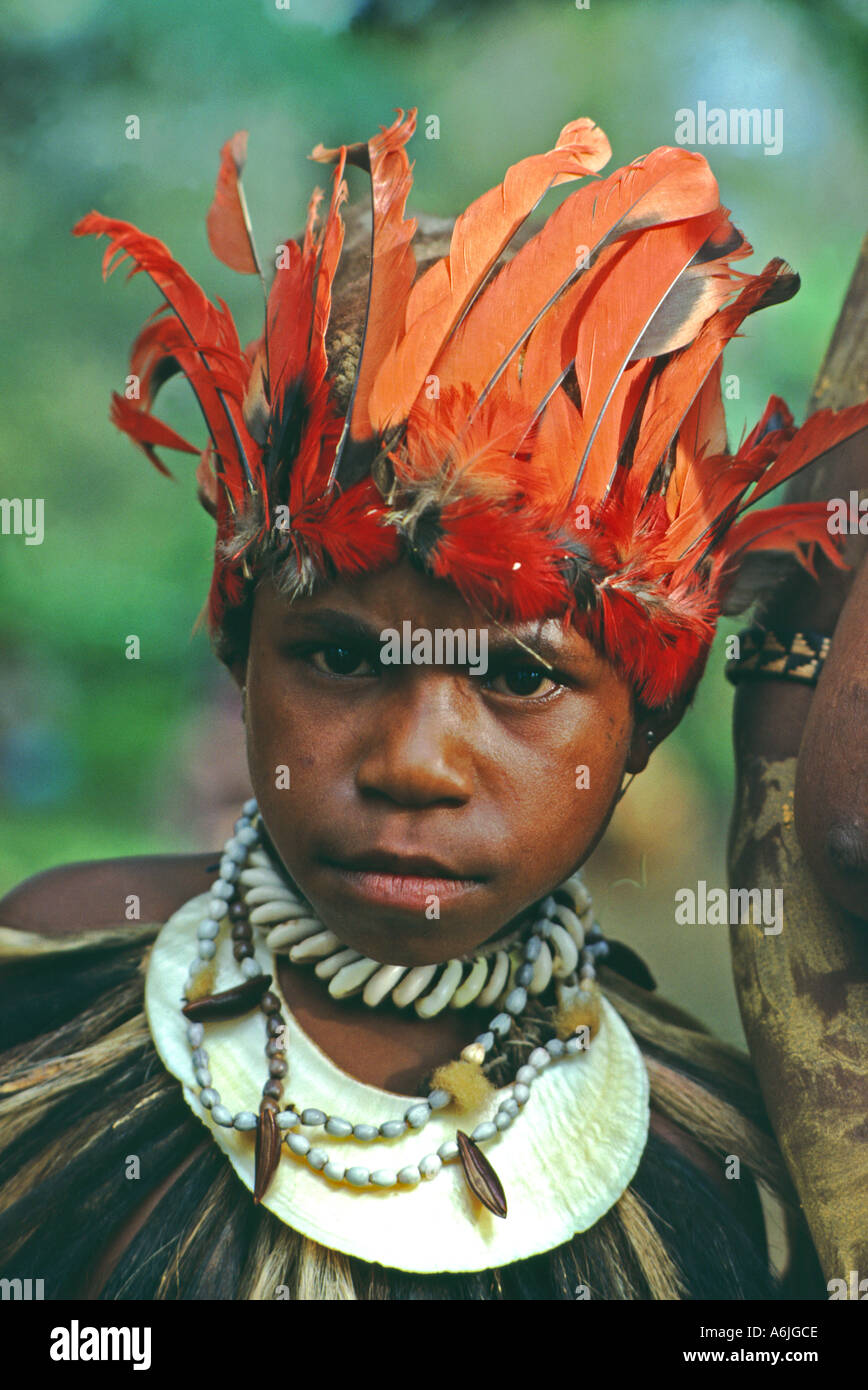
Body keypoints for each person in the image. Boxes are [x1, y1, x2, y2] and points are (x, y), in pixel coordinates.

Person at [1, 110, 865, 1301]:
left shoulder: (703, 1161)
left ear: (644, 727)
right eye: (338, 659)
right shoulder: (47, 974)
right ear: (241, 658)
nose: (413, 762)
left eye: (518, 679)